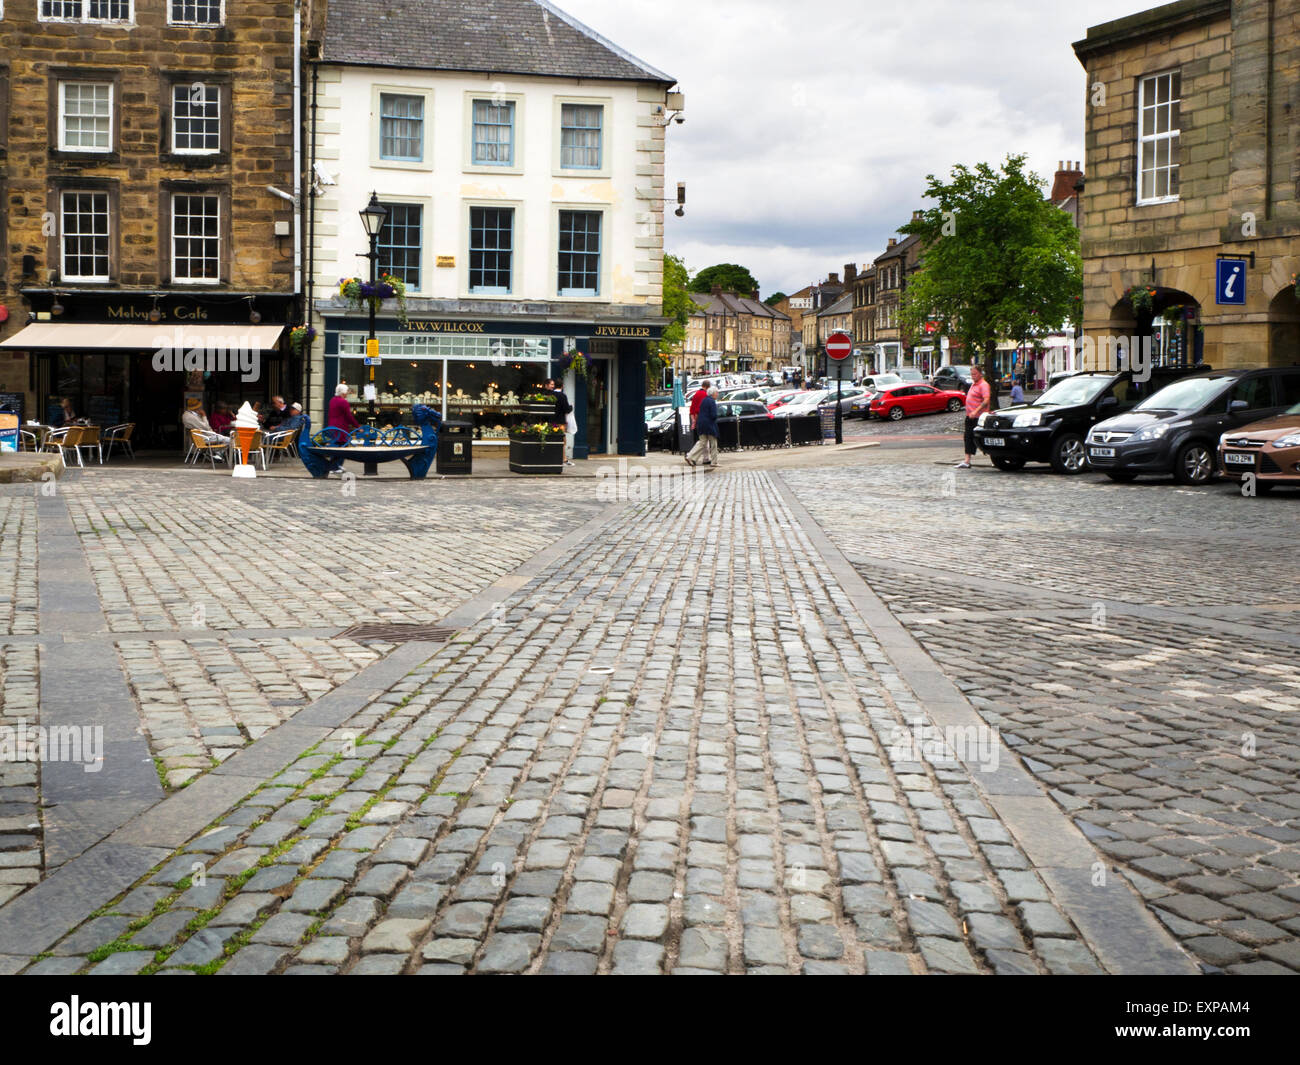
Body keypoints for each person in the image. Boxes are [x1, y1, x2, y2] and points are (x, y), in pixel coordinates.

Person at [956, 364, 990, 469]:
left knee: (982, 439)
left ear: (980, 374)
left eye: (975, 374)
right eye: (971, 374)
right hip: (970, 416)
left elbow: (986, 400)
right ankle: (967, 461)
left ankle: (995, 457)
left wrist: (976, 411)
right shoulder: (973, 384)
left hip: (979, 417)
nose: (973, 376)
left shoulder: (983, 385)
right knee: (968, 438)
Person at [685, 385, 719, 469]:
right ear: (713, 394)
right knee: (713, 443)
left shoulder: (704, 400)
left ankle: (690, 456)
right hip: (709, 425)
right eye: (716, 393)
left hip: (701, 423)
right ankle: (714, 462)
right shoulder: (712, 401)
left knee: (702, 442)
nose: (717, 394)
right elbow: (713, 415)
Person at [548, 379, 576, 467]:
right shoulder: (562, 395)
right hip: (559, 422)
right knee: (562, 441)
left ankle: (553, 458)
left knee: (551, 439)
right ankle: (563, 459)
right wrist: (571, 407)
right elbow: (566, 409)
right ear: (562, 386)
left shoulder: (550, 394)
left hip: (550, 421)